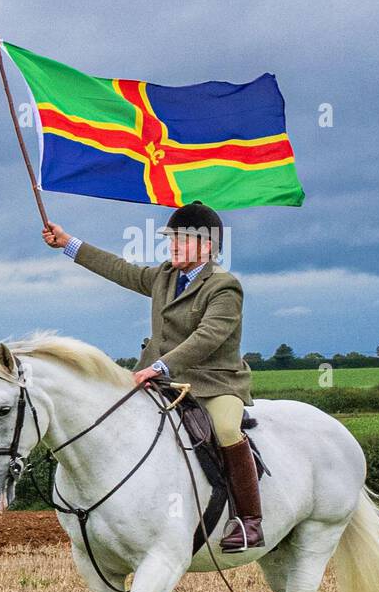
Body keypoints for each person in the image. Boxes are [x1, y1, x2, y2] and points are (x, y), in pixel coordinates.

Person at [42, 201, 263, 551]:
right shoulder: (164, 276)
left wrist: (160, 366)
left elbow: (207, 337)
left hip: (213, 382)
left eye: (180, 239)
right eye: (171, 239)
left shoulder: (224, 286)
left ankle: (250, 520)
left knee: (225, 430)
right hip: (161, 381)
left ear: (206, 246)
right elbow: (120, 269)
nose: (172, 245)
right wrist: (68, 243)